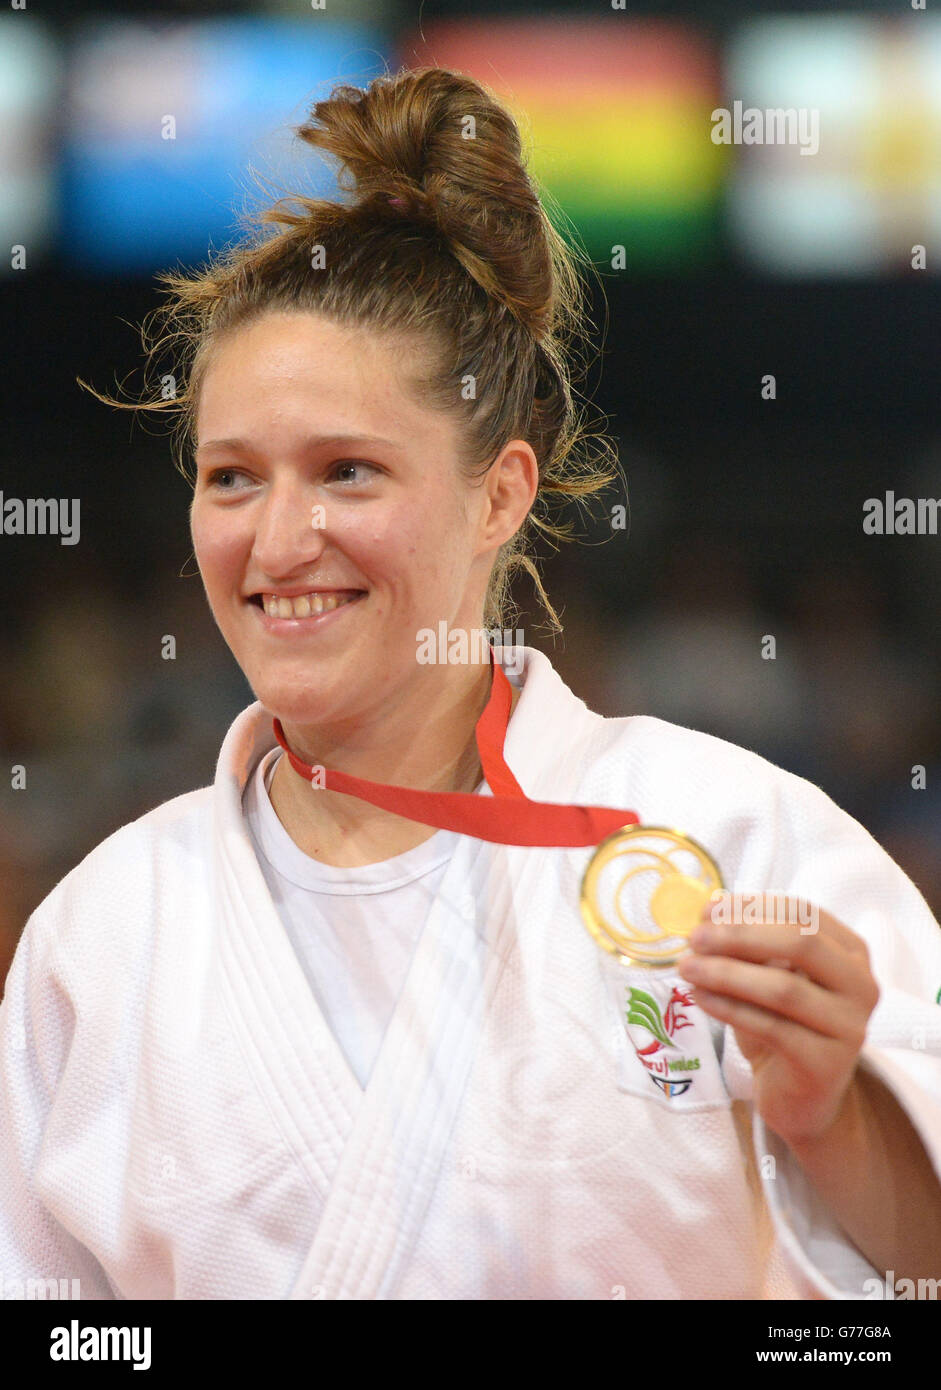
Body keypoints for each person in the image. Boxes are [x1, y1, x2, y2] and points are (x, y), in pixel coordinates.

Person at [1, 66, 939, 1302]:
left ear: (498, 493)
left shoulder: (727, 842)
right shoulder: (104, 933)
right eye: (231, 476)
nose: (278, 543)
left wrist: (832, 1120)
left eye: (346, 470)